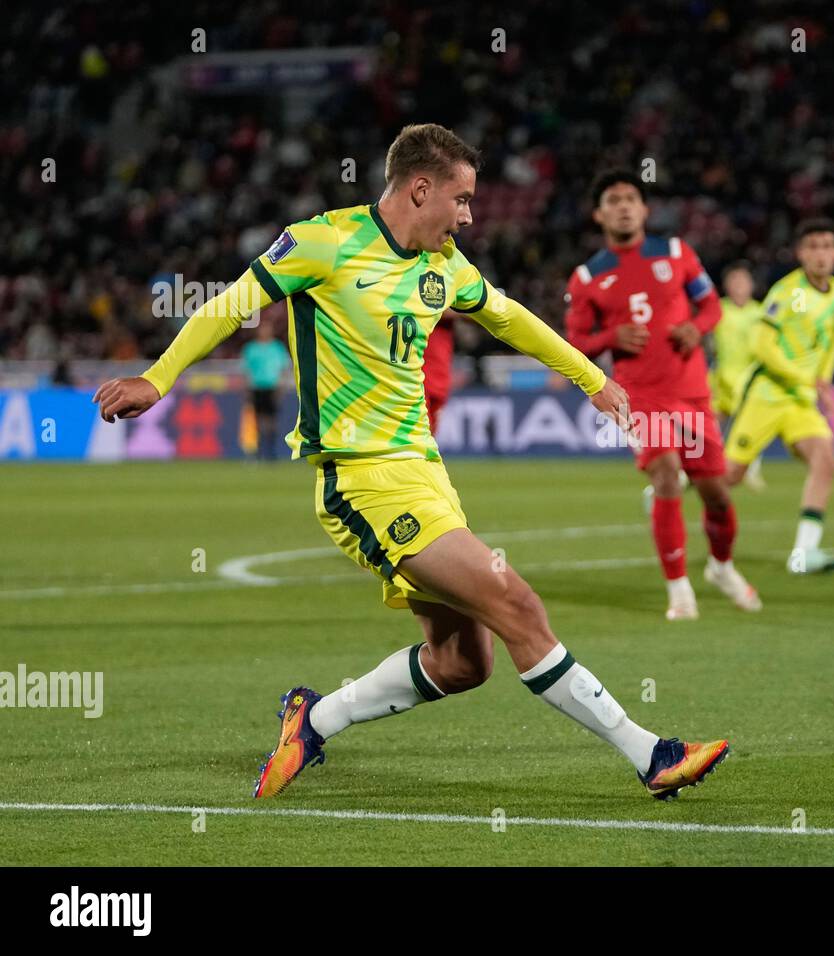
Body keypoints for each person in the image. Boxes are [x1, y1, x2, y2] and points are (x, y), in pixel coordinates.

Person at [93, 123, 730, 800]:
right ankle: (650, 754)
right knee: (516, 602)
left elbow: (510, 319)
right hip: (360, 478)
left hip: (424, 472)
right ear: (420, 188)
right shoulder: (324, 241)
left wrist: (592, 380)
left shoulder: (444, 265)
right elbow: (231, 306)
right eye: (460, 199)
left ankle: (315, 718)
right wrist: (158, 379)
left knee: (463, 663)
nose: (468, 214)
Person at [565, 170, 760, 620]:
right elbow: (574, 344)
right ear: (599, 214)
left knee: (717, 492)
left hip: (692, 393)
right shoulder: (587, 277)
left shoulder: (676, 253)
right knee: (667, 475)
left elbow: (710, 305)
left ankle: (721, 567)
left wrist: (698, 327)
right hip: (639, 396)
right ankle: (679, 591)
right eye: (613, 200)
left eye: (631, 197)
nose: (624, 206)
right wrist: (611, 335)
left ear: (645, 208)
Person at [723, 220, 834, 574]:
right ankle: (677, 483)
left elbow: (831, 342)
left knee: (825, 460)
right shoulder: (786, 292)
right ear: (801, 254)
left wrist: (822, 383)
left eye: (827, 245)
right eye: (813, 246)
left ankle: (804, 553)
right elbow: (761, 346)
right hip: (768, 393)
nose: (821, 253)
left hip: (801, 400)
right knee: (728, 476)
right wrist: (807, 379)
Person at [710, 261, 767, 490]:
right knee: (711, 424)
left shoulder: (760, 312)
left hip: (748, 379)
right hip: (721, 376)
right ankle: (708, 466)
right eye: (734, 281)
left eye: (743, 281)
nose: (738, 286)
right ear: (727, 285)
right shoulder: (718, 308)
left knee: (750, 426)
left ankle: (750, 469)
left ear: (751, 285)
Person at [240, 319, 291, 460]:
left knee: (272, 421)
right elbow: (246, 371)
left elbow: (284, 368)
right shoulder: (251, 348)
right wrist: (247, 389)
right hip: (256, 387)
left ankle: (271, 452)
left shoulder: (277, 347)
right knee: (258, 421)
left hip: (272, 388)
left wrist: (281, 386)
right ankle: (259, 451)